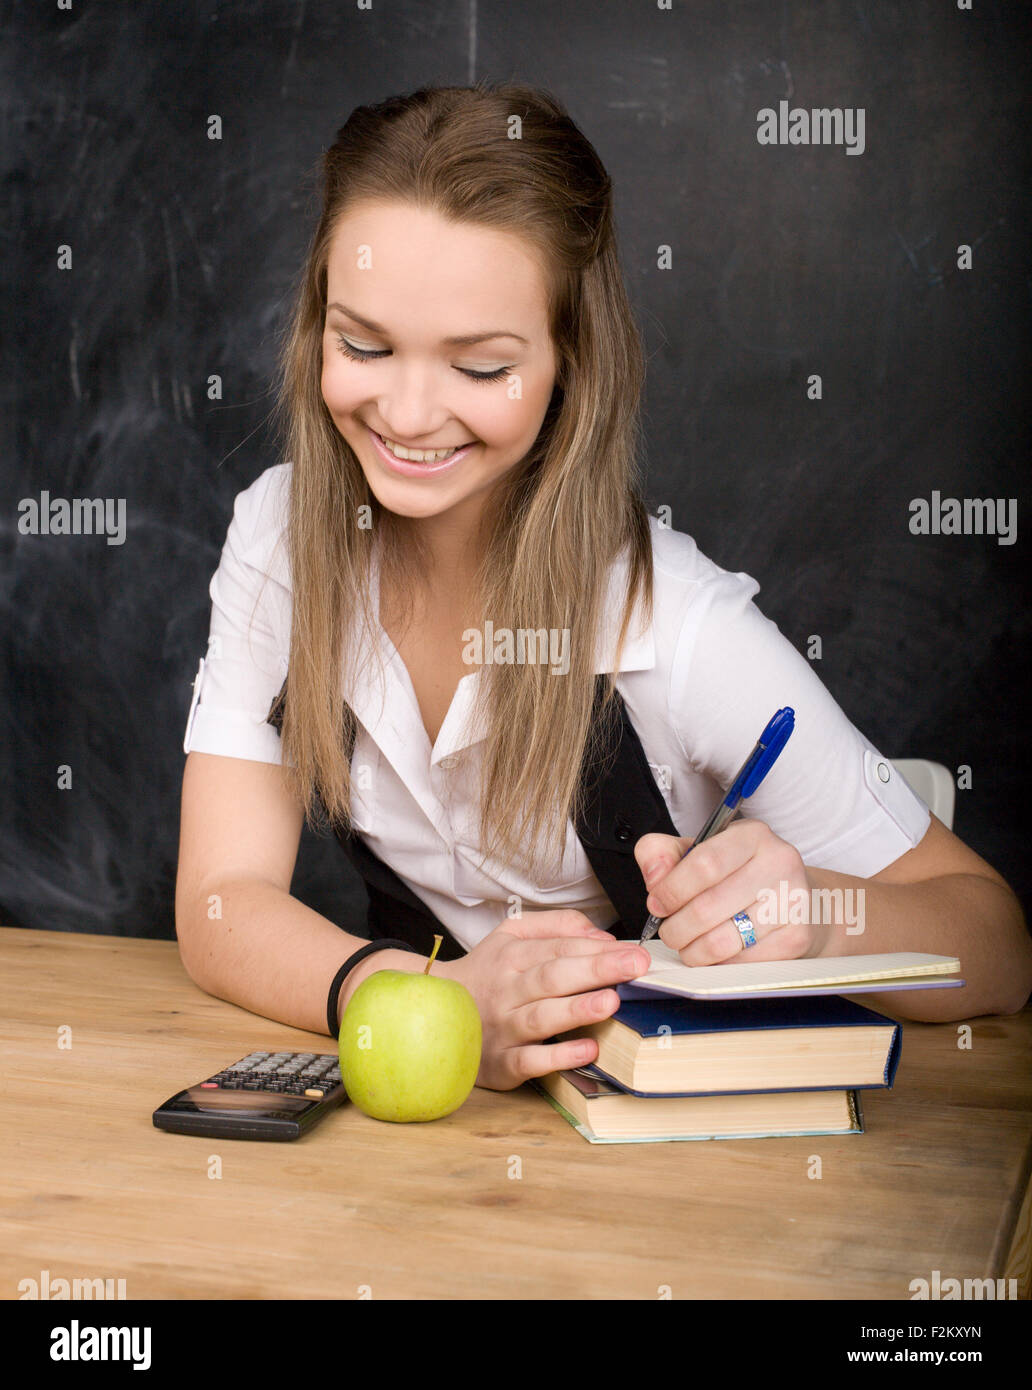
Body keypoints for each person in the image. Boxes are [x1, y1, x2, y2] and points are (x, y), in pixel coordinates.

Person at [176, 81, 1032, 1094]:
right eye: (364, 345)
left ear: (570, 367)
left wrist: (815, 915)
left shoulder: (680, 625)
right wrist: (430, 1002)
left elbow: (996, 941)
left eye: (481, 366)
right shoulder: (279, 537)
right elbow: (222, 901)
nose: (406, 412)